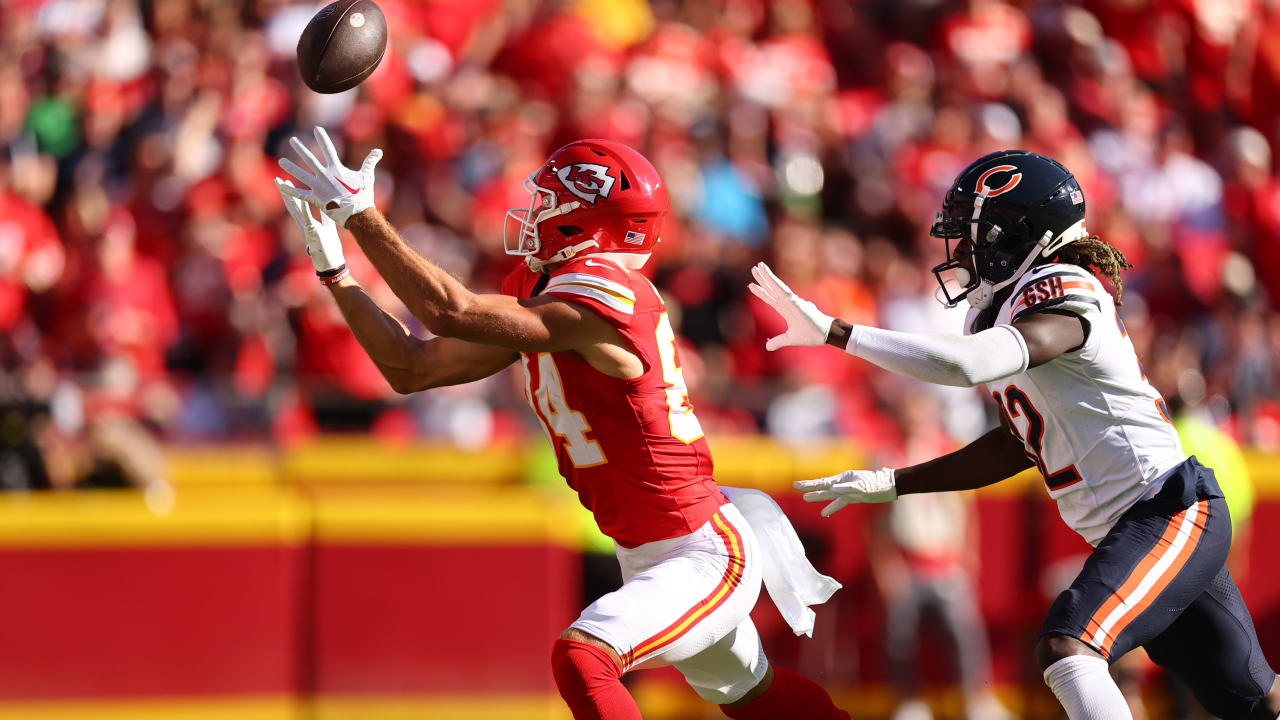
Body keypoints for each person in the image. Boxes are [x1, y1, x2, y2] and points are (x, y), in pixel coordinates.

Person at [274, 128, 847, 720]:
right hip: (648, 547)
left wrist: (361, 215)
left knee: (584, 657)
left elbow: (450, 310)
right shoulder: (546, 292)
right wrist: (334, 269)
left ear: (585, 220)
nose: (532, 212)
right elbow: (411, 367)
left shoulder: (610, 293)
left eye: (548, 201)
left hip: (700, 548)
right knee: (752, 694)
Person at [749, 150, 1280, 720]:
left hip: (1167, 510)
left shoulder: (1063, 289)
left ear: (1020, 236)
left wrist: (836, 332)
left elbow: (966, 365)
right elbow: (1014, 444)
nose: (961, 253)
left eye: (974, 237)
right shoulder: (1006, 312)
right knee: (1255, 701)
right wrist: (894, 483)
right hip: (1138, 525)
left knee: (1070, 648)